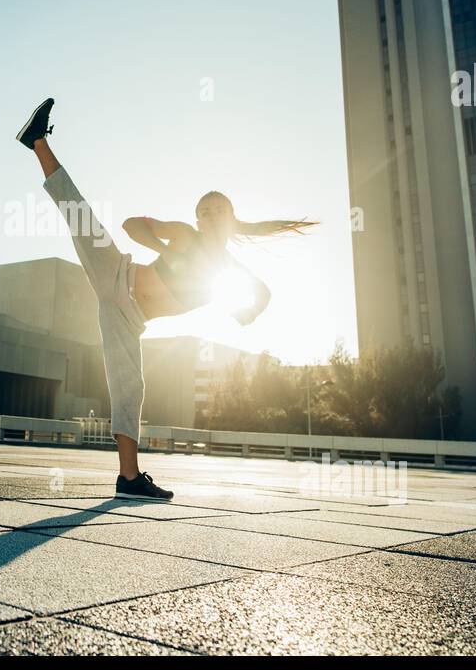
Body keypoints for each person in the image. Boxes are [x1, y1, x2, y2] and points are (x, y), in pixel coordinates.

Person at [16, 97, 316, 500]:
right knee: (81, 216)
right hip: (117, 272)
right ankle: (37, 142)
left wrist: (249, 313)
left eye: (217, 211)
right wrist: (169, 249)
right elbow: (130, 225)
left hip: (127, 316)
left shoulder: (226, 269)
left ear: (230, 218)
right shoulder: (187, 236)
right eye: (204, 212)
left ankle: (129, 479)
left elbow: (260, 293)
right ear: (196, 220)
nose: (209, 217)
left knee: (130, 387)